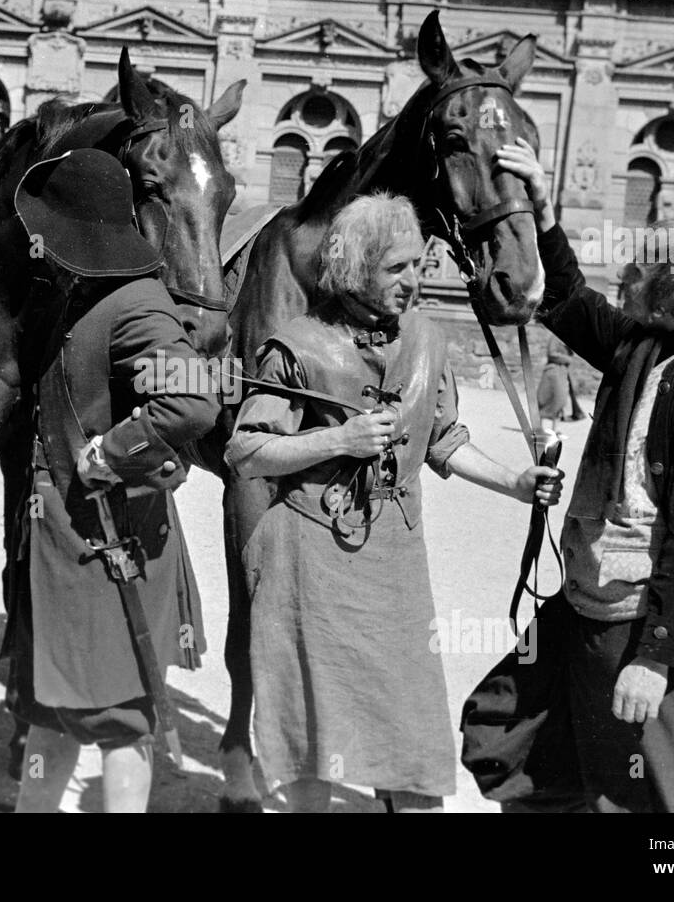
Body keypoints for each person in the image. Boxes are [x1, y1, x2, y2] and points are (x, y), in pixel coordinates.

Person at [224, 192, 562, 813]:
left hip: (395, 559)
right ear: (356, 269)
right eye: (396, 268)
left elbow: (444, 440)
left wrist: (515, 483)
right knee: (312, 729)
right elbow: (245, 451)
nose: (413, 280)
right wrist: (336, 439)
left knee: (408, 727)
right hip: (309, 561)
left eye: (418, 263)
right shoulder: (296, 345)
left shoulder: (427, 341)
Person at [496, 138, 674, 812]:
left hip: (642, 632)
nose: (624, 273)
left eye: (640, 268)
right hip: (590, 616)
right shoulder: (641, 350)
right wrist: (542, 209)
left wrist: (657, 656)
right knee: (523, 753)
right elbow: (565, 297)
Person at [5, 149, 220, 813]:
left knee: (120, 720)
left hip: (107, 546)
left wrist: (113, 450)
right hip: (62, 545)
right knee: (49, 707)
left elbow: (194, 400)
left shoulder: (137, 304)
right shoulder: (82, 294)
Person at [537, 335, 586, 436]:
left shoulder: (569, 339)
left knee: (560, 399)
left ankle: (555, 429)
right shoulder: (555, 338)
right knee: (545, 398)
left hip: (564, 372)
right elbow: (551, 353)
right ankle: (539, 427)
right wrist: (566, 359)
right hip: (553, 371)